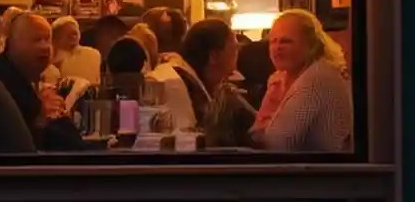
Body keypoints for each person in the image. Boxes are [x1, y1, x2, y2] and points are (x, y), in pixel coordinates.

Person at [252, 9, 352, 152]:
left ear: (311, 45)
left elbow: (278, 143)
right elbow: (257, 134)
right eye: (273, 41)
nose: (277, 48)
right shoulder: (281, 79)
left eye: (286, 41)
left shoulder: (319, 77)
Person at [0, 12, 82, 151]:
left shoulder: (24, 74)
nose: (45, 47)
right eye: (37, 40)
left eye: (47, 40)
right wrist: (43, 114)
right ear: (12, 43)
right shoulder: (3, 81)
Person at [147, 18, 245, 133]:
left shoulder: (189, 83)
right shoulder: (172, 84)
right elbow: (183, 144)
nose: (235, 65)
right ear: (213, 56)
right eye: (234, 50)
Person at [50, 16, 101, 83]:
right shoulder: (49, 62)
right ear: (54, 39)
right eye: (69, 35)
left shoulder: (92, 54)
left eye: (74, 34)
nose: (73, 37)